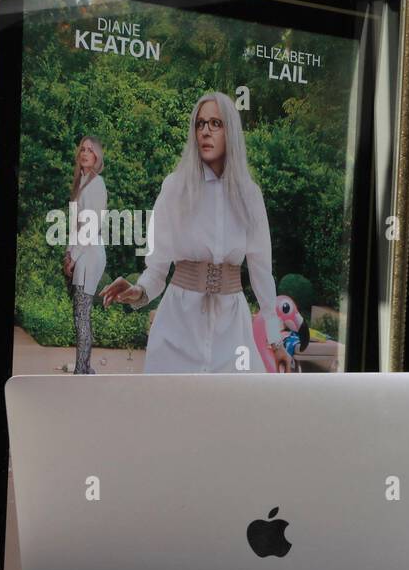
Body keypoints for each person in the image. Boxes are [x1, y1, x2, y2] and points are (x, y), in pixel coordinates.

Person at [100, 91, 292, 373]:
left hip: (232, 334)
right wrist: (138, 291)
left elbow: (262, 275)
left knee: (233, 412)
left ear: (231, 132)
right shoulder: (174, 188)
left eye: (216, 123)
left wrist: (276, 342)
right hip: (177, 329)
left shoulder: (249, 195)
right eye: (200, 124)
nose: (205, 131)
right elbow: (157, 270)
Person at [64, 135, 107, 374]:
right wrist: (68, 254)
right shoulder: (80, 184)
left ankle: (82, 370)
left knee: (82, 314)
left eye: (90, 150)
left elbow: (90, 227)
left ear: (96, 157)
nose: (85, 153)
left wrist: (76, 256)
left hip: (90, 254)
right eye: (82, 149)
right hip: (81, 252)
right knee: (80, 314)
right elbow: (74, 226)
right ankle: (85, 368)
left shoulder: (97, 184)